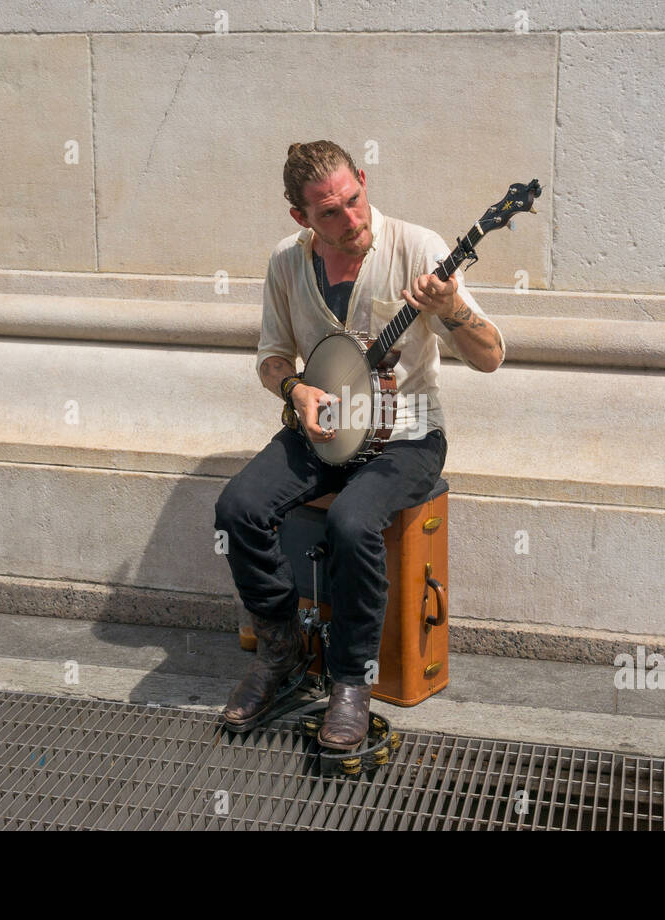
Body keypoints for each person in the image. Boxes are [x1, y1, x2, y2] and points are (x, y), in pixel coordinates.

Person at [214, 140, 505, 749]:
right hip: (323, 431)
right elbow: (271, 359)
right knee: (239, 507)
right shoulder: (286, 263)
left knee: (351, 520)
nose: (351, 221)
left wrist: (451, 308)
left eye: (355, 200)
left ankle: (351, 683)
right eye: (330, 214)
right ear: (301, 218)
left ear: (364, 180)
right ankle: (280, 650)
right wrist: (295, 390)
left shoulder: (419, 247)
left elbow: (491, 356)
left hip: (409, 436)